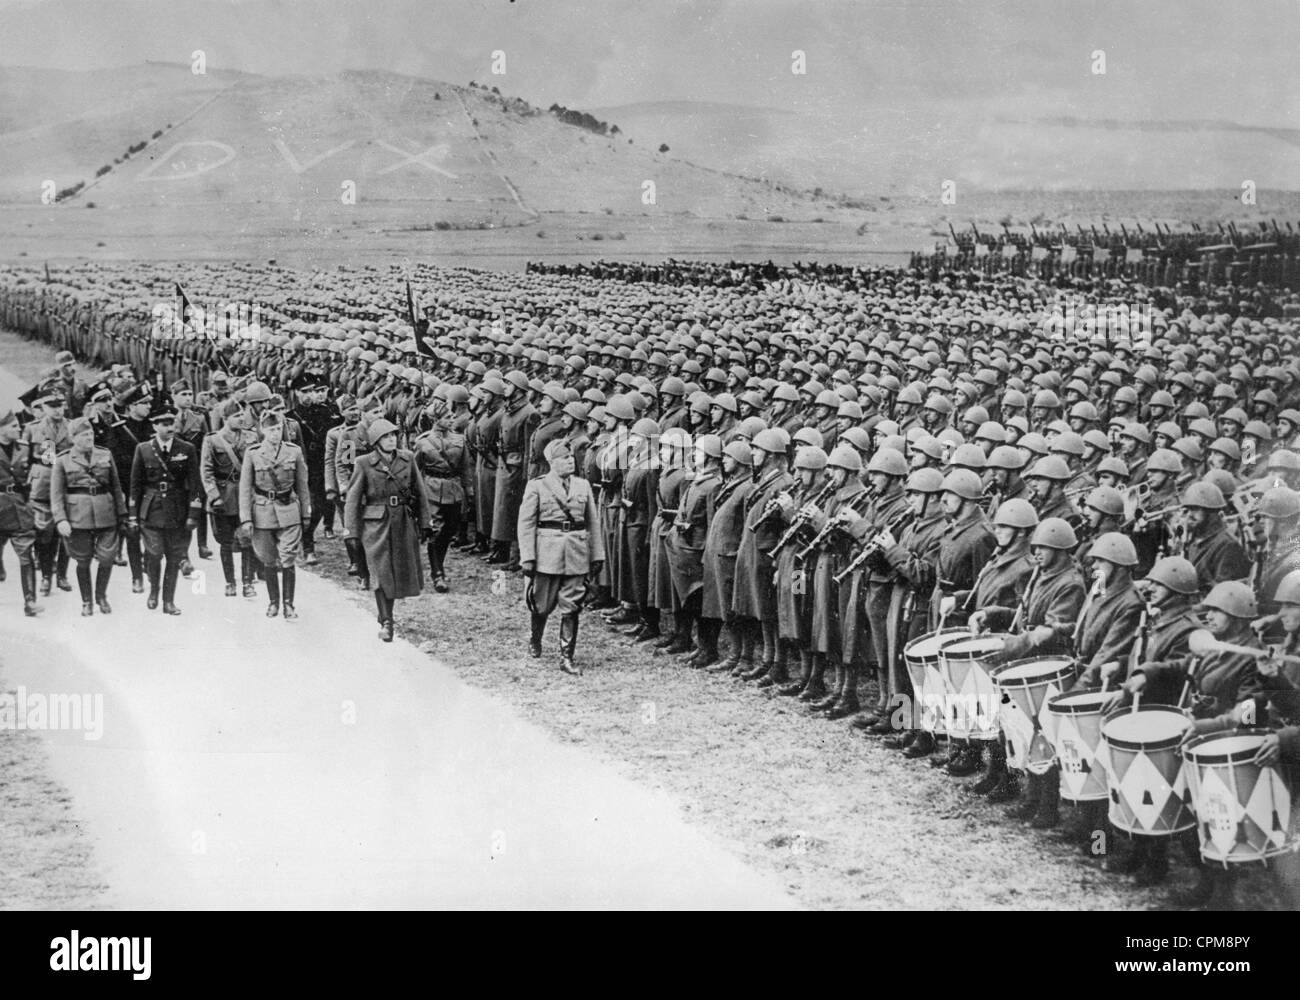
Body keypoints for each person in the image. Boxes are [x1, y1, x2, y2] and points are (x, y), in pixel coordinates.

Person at [517, 438, 605, 675]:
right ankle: (536, 639)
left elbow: (593, 522)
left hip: (577, 552)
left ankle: (567, 657)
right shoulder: (537, 486)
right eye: (564, 458)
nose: (570, 461)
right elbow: (525, 524)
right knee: (541, 604)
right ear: (552, 462)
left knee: (572, 606)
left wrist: (597, 555)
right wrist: (528, 558)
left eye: (571, 457)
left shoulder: (582, 486)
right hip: (547, 554)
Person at [344, 418, 432, 642]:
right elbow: (353, 500)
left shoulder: (408, 458)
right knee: (381, 572)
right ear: (376, 441)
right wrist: (351, 532)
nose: (392, 439)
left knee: (398, 572)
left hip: (402, 522)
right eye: (386, 436)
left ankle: (386, 615)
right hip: (375, 524)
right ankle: (387, 621)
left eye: (394, 435)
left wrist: (425, 522)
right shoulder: (364, 463)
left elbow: (419, 492)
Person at [128, 407, 202, 615]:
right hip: (151, 511)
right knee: (154, 554)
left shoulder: (186, 449)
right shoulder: (143, 449)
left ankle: (168, 601)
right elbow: (135, 485)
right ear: (154, 426)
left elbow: (195, 485)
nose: (170, 427)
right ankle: (154, 590)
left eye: (172, 423)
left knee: (173, 556)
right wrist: (133, 515)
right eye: (164, 424)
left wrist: (193, 514)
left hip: (177, 511)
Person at [50, 416, 127, 615]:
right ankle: (87, 601)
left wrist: (122, 514)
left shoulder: (105, 454)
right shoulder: (63, 459)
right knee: (82, 560)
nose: (89, 437)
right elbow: (56, 494)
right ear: (73, 437)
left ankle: (101, 595)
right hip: (78, 516)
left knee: (107, 557)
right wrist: (61, 519)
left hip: (106, 512)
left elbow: (116, 486)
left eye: (91, 433)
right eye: (84, 435)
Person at [239, 411, 310, 620]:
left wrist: (306, 513)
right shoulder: (252, 453)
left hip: (289, 510)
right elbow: (245, 488)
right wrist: (246, 519)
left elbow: (302, 485)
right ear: (263, 430)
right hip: (262, 512)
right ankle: (273, 602)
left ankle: (289, 605)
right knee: (268, 559)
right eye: (271, 430)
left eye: (278, 429)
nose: (276, 434)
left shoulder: (294, 452)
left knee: (288, 557)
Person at [412, 390, 472, 593]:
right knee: (435, 531)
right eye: (447, 417)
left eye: (451, 416)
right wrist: (416, 494)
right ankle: (438, 573)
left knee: (449, 530)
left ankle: (439, 563)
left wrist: (468, 490)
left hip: (454, 489)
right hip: (432, 488)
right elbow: (415, 469)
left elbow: (465, 467)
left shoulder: (459, 440)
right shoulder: (423, 442)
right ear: (436, 420)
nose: (451, 419)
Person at [201, 399, 256, 597]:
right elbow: (206, 471)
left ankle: (248, 583)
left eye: (242, 414)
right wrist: (214, 496)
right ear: (225, 418)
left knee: (247, 539)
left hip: (245, 495)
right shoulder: (213, 440)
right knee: (225, 542)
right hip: (223, 496)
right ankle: (230, 582)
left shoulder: (251, 437)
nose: (241, 418)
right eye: (236, 416)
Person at [0, 410, 41, 616]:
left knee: (26, 556)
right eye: (14, 426)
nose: (19, 429)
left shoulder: (24, 447)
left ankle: (30, 601)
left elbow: (48, 458)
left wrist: (47, 440)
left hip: (19, 507)